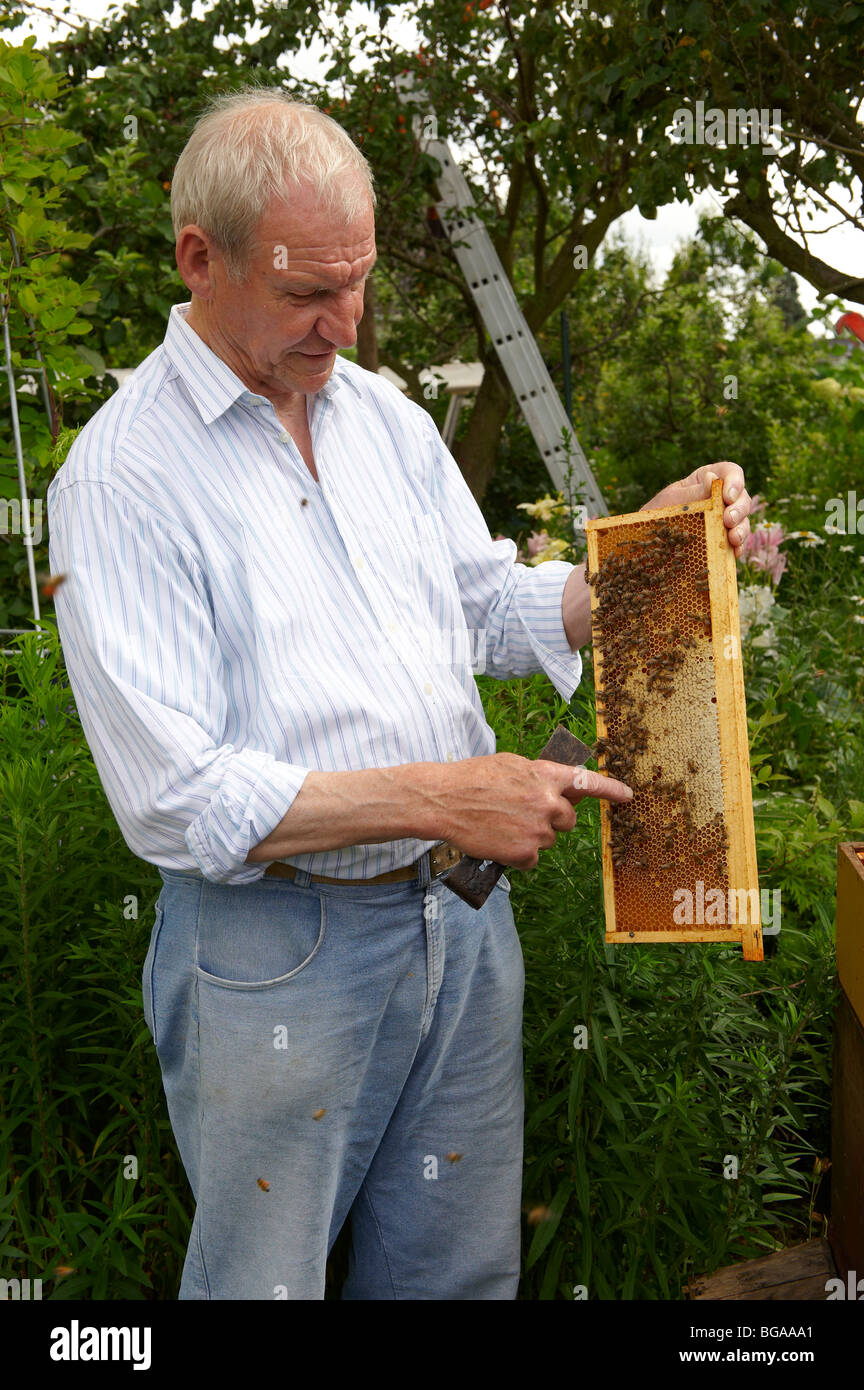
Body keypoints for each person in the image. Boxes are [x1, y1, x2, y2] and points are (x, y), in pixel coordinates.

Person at [46, 88, 753, 1301]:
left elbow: (486, 606)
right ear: (200, 259)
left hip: (464, 927)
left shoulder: (382, 418)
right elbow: (177, 798)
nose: (347, 322)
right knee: (264, 1284)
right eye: (308, 292)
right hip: (280, 948)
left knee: (457, 1278)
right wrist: (444, 794)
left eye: (359, 280)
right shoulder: (121, 478)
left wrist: (645, 564)